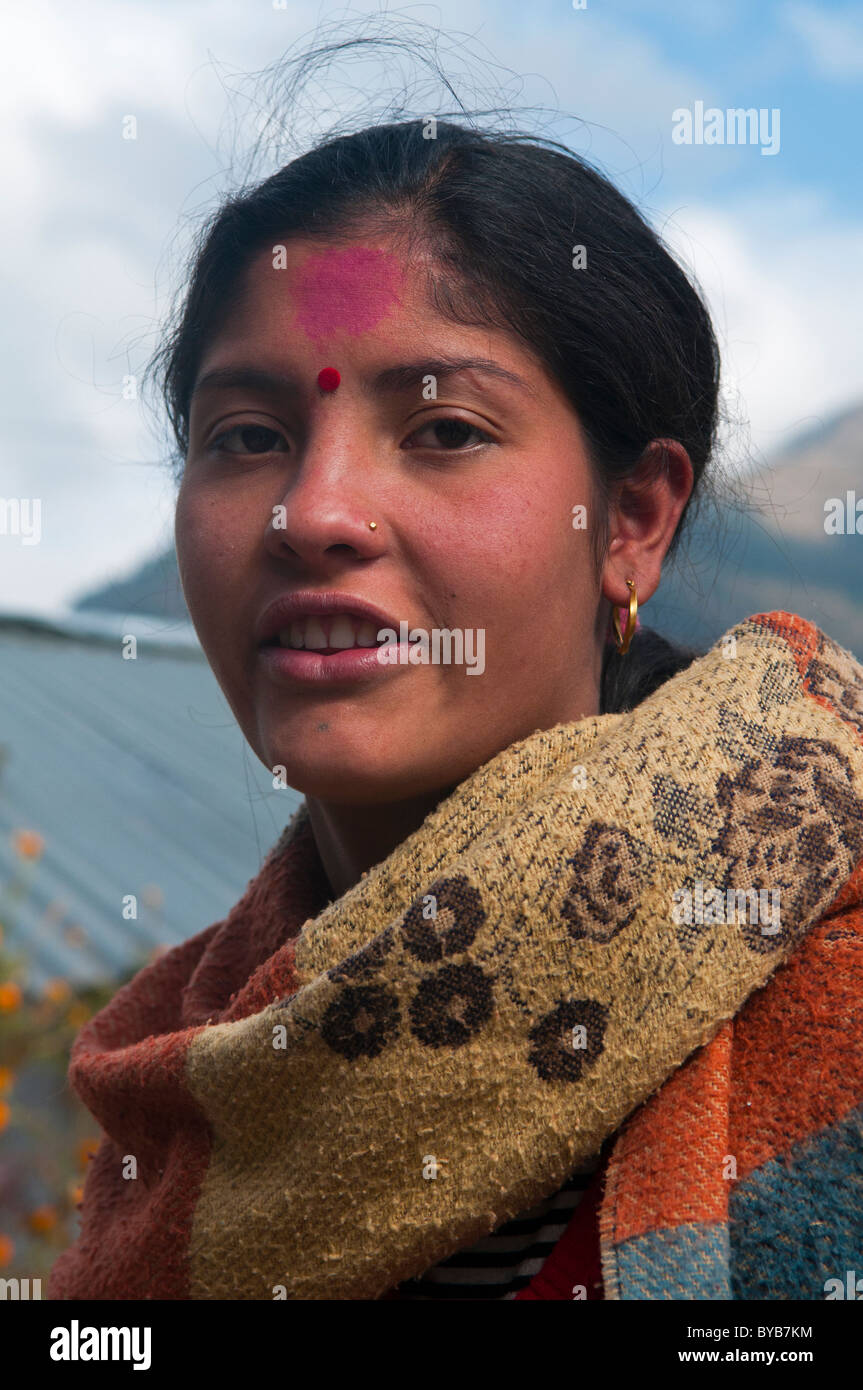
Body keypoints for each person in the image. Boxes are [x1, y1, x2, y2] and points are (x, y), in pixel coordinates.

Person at [49, 116, 863, 1301]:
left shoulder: (830, 993)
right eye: (248, 437)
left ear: (630, 522)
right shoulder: (182, 1097)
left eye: (442, 431)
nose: (313, 512)